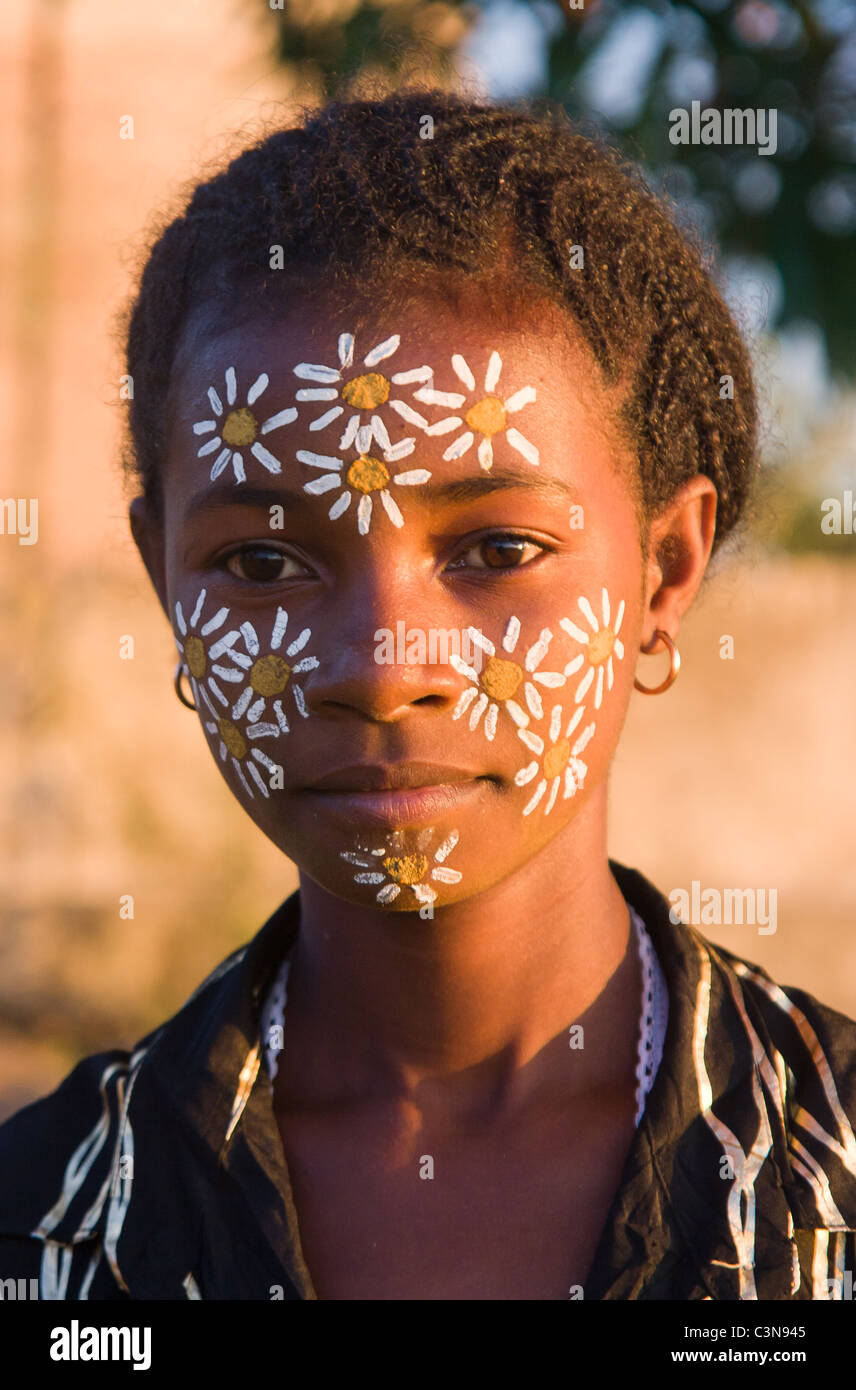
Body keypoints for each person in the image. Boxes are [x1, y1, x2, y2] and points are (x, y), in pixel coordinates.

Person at [0, 90, 853, 1302]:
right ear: (164, 581)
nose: (382, 665)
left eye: (497, 550)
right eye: (260, 562)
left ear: (665, 571)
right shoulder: (47, 1226)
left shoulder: (828, 1184)